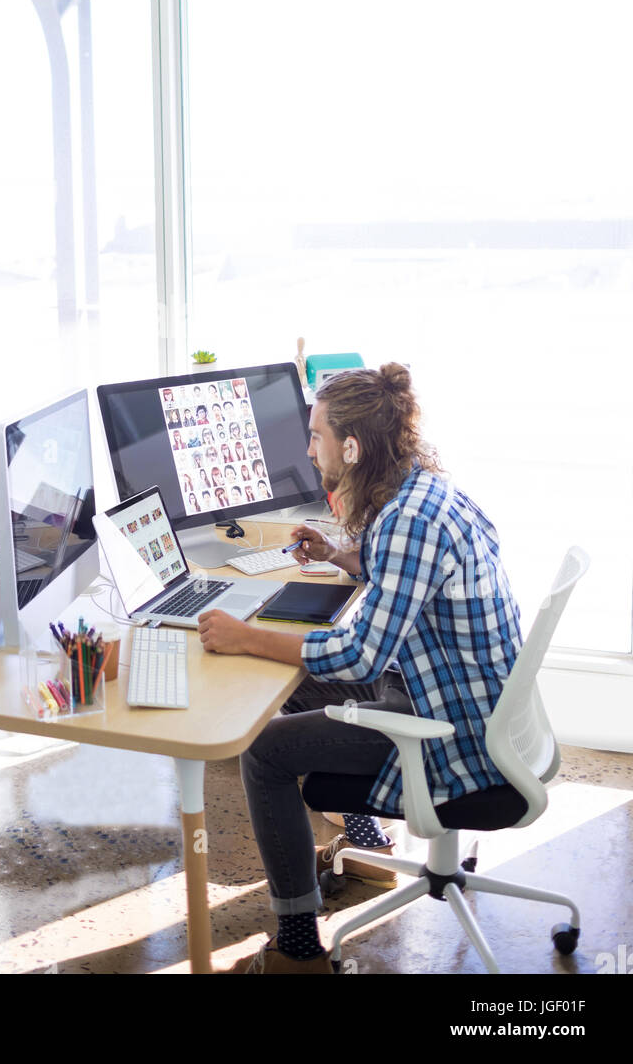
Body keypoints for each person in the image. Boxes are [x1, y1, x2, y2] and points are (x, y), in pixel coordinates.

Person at [199, 363, 522, 975]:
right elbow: (402, 576)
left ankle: (298, 949)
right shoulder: (421, 488)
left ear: (352, 446)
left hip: (449, 726)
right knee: (294, 692)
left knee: (263, 751)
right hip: (452, 688)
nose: (308, 448)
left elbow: (358, 655)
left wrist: (247, 637)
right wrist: (338, 555)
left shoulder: (408, 519)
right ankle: (366, 839)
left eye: (316, 435)